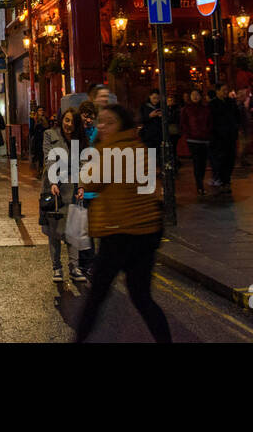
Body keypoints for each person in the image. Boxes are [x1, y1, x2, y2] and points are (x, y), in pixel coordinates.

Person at [74, 103, 172, 343]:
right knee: (141, 297)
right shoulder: (139, 148)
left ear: (122, 125)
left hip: (118, 234)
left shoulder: (111, 152)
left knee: (96, 296)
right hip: (146, 233)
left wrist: (97, 148)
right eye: (100, 121)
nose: (101, 126)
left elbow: (88, 181)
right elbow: (153, 190)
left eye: (108, 122)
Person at [42, 107, 92, 283]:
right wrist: (53, 182)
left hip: (72, 189)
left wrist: (81, 186)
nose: (69, 125)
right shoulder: (49, 134)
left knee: (73, 228)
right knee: (54, 230)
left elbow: (83, 163)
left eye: (72, 121)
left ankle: (74, 266)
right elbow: (49, 158)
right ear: (61, 119)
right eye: (66, 120)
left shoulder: (80, 140)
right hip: (53, 188)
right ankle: (56, 267)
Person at [181, 88, 212, 195]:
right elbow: (184, 123)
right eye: (193, 95)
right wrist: (188, 134)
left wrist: (207, 133)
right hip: (192, 139)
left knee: (202, 162)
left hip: (204, 139)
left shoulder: (206, 109)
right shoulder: (186, 109)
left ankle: (200, 181)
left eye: (197, 94)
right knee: (197, 162)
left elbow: (210, 122)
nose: (195, 97)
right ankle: (199, 184)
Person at [210, 87, 240, 193]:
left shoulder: (230, 102)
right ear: (217, 91)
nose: (225, 92)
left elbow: (237, 116)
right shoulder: (213, 104)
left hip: (230, 135)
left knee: (230, 158)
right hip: (219, 136)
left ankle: (226, 179)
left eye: (226, 90)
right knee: (221, 158)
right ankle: (222, 179)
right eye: (223, 90)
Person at [138, 89, 163, 158]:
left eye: (158, 98)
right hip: (148, 135)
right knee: (151, 155)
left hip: (160, 134)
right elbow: (140, 119)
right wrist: (150, 116)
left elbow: (169, 119)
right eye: (154, 98)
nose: (156, 100)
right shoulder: (144, 106)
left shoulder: (162, 106)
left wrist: (162, 116)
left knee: (160, 155)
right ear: (149, 97)